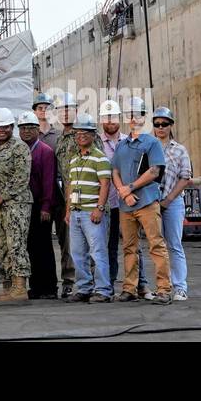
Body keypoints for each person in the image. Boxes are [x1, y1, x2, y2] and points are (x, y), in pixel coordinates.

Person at [111, 98, 171, 303]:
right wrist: (124, 192)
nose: (133, 118)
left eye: (137, 114)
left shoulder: (152, 143)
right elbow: (115, 171)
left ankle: (163, 289)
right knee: (129, 247)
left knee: (156, 244)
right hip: (126, 204)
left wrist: (131, 188)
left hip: (146, 201)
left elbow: (154, 171)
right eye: (130, 114)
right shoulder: (121, 145)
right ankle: (130, 288)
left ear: (143, 117)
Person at [0, 108, 32, 301]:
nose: (1, 130)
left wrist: (1, 196)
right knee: (1, 246)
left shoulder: (20, 148)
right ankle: (8, 285)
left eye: (5, 127)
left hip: (16, 205)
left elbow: (22, 177)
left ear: (12, 127)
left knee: (16, 245)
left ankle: (20, 287)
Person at [65, 113, 112, 303]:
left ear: (94, 135)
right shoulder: (74, 160)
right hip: (76, 212)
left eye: (86, 132)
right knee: (77, 253)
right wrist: (68, 210)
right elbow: (70, 186)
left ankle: (103, 290)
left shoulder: (100, 158)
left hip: (91, 212)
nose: (81, 136)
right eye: (77, 133)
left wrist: (99, 208)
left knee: (97, 252)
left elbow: (105, 184)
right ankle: (84, 288)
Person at [153, 106, 192, 301]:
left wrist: (168, 200)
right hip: (151, 203)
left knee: (174, 245)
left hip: (173, 202)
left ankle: (180, 287)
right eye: (157, 124)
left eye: (164, 124)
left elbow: (185, 177)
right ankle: (162, 287)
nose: (160, 127)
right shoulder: (149, 147)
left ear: (171, 125)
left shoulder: (179, 150)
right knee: (156, 245)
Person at [17, 110, 58, 299]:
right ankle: (35, 286)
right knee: (29, 247)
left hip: (40, 207)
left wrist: (46, 207)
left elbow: (49, 182)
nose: (26, 132)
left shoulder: (45, 151)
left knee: (44, 247)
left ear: (37, 130)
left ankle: (49, 288)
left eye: (30, 128)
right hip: (23, 206)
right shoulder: (17, 150)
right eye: (22, 128)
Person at [51, 92, 81, 297]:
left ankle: (93, 283)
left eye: (69, 109)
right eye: (62, 110)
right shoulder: (60, 140)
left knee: (87, 242)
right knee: (67, 243)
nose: (66, 113)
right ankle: (69, 281)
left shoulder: (85, 133)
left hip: (84, 197)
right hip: (64, 198)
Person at [98, 99, 126, 289]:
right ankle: (106, 284)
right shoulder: (97, 143)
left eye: (114, 117)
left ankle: (135, 284)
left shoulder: (129, 141)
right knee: (106, 247)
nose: (110, 121)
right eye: (107, 117)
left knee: (131, 246)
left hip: (127, 203)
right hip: (105, 204)